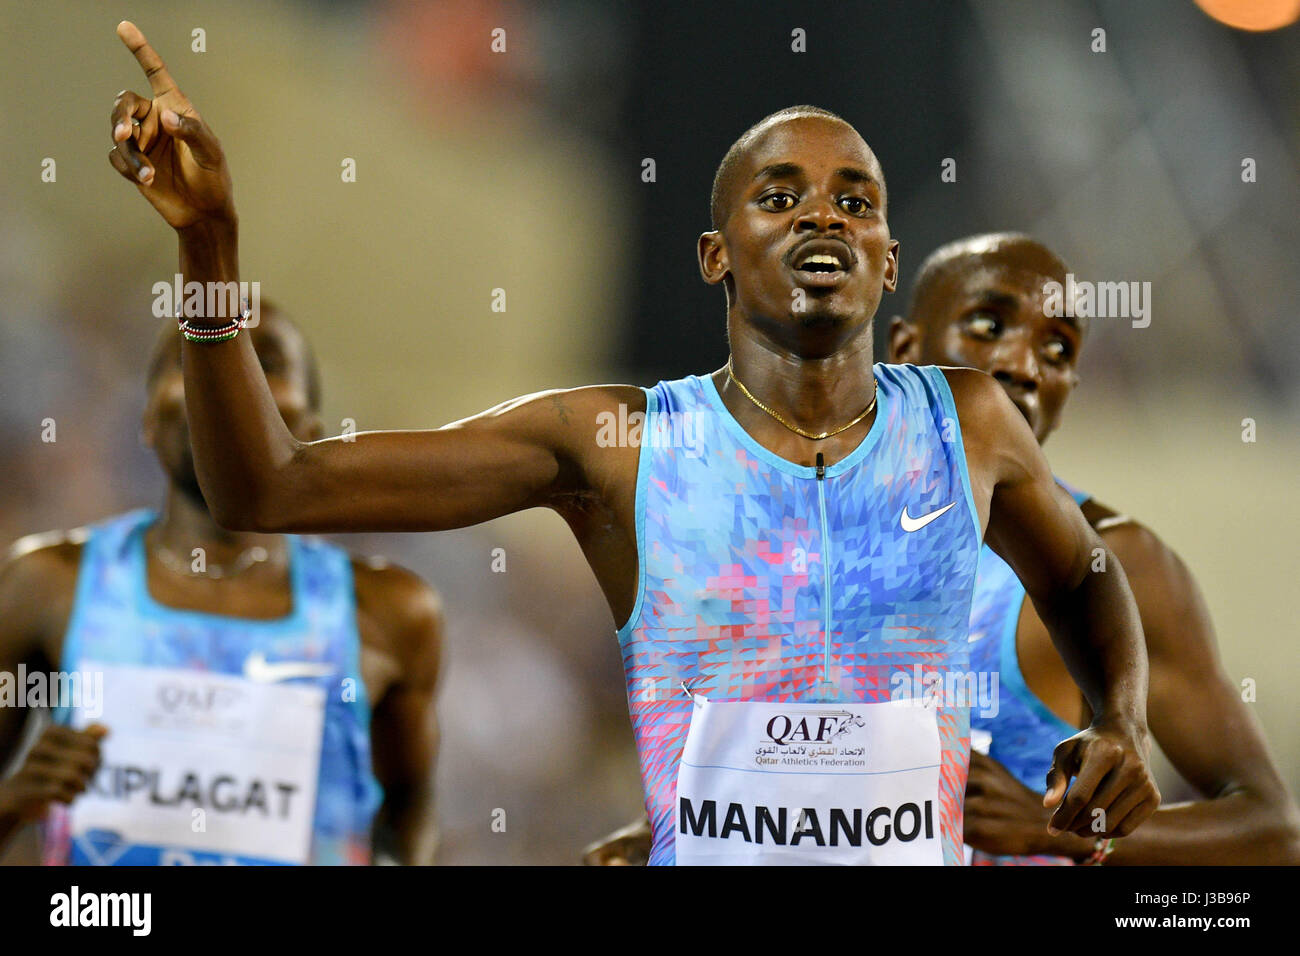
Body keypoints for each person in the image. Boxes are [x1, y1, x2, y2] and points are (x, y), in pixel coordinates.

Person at [105, 20, 1159, 865]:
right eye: (779, 196)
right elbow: (273, 490)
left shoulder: (966, 422)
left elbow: (1084, 573)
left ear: (889, 260)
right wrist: (209, 243)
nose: (821, 218)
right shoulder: (619, 444)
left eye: (854, 200)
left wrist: (1118, 716)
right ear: (712, 254)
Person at [890, 233, 1300, 865]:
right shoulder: (809, 532)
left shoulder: (1116, 562)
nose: (1024, 366)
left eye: (1057, 348)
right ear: (904, 349)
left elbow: (1272, 830)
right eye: (988, 323)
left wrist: (1058, 829)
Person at [0, 306, 443, 865]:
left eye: (267, 362)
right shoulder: (47, 582)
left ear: (311, 433)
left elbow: (408, 824)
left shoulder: (388, 611)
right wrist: (14, 804)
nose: (223, 381)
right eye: (191, 360)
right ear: (145, 418)